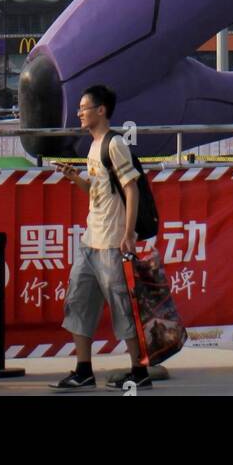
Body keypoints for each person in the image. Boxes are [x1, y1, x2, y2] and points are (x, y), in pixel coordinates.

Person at [52, 83, 149, 392]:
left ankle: (139, 371)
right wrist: (76, 179)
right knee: (78, 302)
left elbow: (131, 188)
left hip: (110, 243)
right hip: (90, 240)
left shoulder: (114, 144)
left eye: (84, 108)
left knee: (122, 306)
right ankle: (83, 370)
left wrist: (128, 233)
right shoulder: (93, 146)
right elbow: (98, 191)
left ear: (101, 110)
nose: (80, 113)